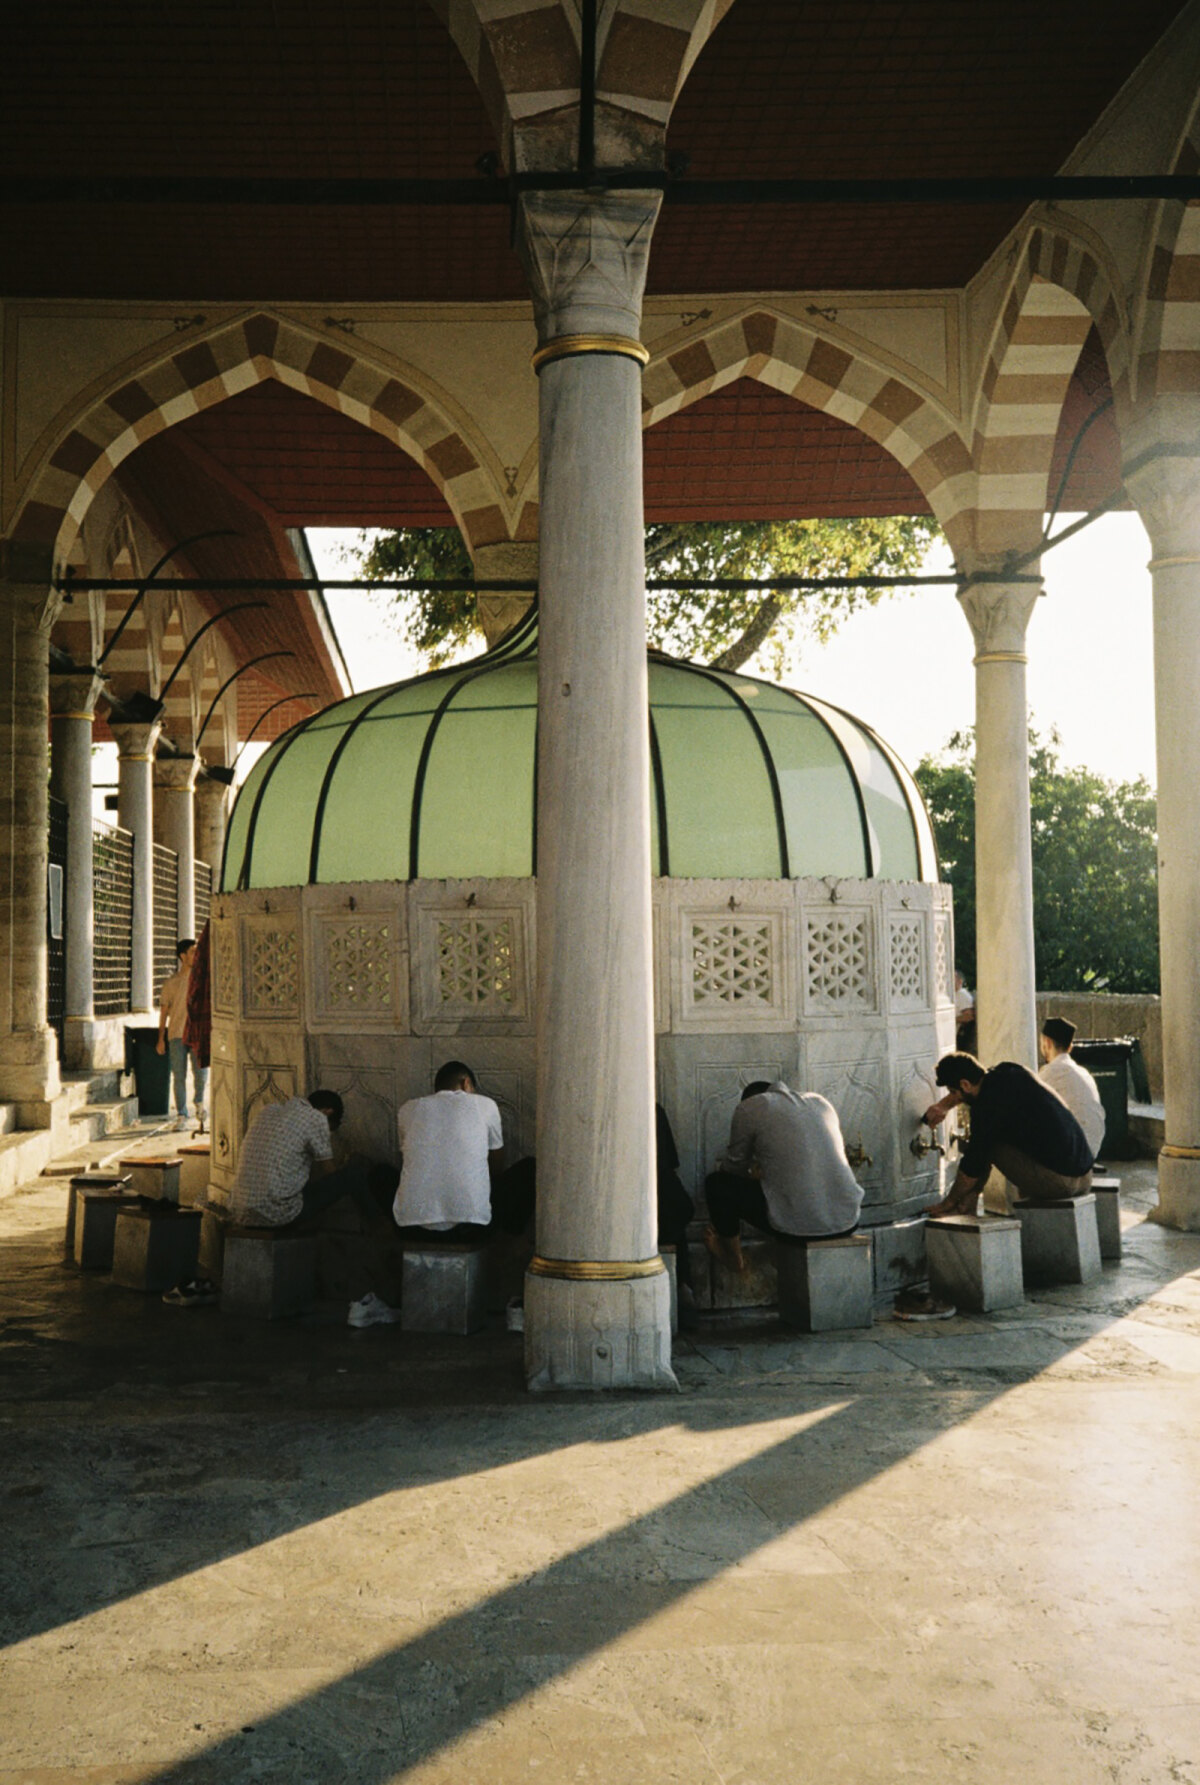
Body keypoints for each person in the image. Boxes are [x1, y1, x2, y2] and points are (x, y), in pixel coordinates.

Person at [228, 1089, 400, 1325]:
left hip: (240, 1210)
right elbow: (330, 1173)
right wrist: (349, 1163)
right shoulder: (316, 1118)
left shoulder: (267, 1111)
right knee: (356, 1173)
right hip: (278, 1213)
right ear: (327, 1112)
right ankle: (383, 1231)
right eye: (332, 1130)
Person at [703, 1080, 863, 1275]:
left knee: (717, 1184)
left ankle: (734, 1258)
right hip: (848, 1221)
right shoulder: (820, 1101)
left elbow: (733, 1168)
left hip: (797, 1229)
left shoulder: (750, 1107)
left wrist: (754, 1174)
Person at [923, 1052, 1094, 1217]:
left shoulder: (986, 1107)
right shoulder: (1009, 1071)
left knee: (985, 1148)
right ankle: (969, 1202)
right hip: (1085, 1176)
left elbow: (972, 1166)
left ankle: (963, 1205)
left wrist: (949, 1201)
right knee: (986, 1143)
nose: (954, 1098)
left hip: (1061, 1184)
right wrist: (943, 1106)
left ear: (965, 1084)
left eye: (953, 1092)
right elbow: (970, 1088)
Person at [394, 1060, 531, 1239]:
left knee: (379, 1173)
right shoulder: (486, 1105)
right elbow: (496, 1164)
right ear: (466, 1083)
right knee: (530, 1168)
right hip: (472, 1228)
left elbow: (406, 1159)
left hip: (412, 1228)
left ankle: (389, 1239)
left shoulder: (407, 1109)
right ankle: (508, 1241)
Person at [1038, 1018, 1106, 1160]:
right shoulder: (1084, 1072)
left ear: (1047, 1043)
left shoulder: (1050, 1073)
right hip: (1091, 1154)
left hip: (1071, 1158)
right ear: (1070, 1047)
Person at [157, 939, 206, 1131]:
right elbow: (164, 1012)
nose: (196, 955)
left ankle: (199, 1101)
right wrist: (160, 1039)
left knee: (201, 1073)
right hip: (176, 1034)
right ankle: (181, 1114)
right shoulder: (171, 983)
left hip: (198, 1034)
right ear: (183, 956)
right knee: (179, 1075)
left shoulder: (202, 980)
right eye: (193, 952)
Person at [954, 971, 976, 1050]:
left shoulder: (962, 994)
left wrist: (951, 1020)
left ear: (960, 981)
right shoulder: (955, 994)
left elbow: (969, 1016)